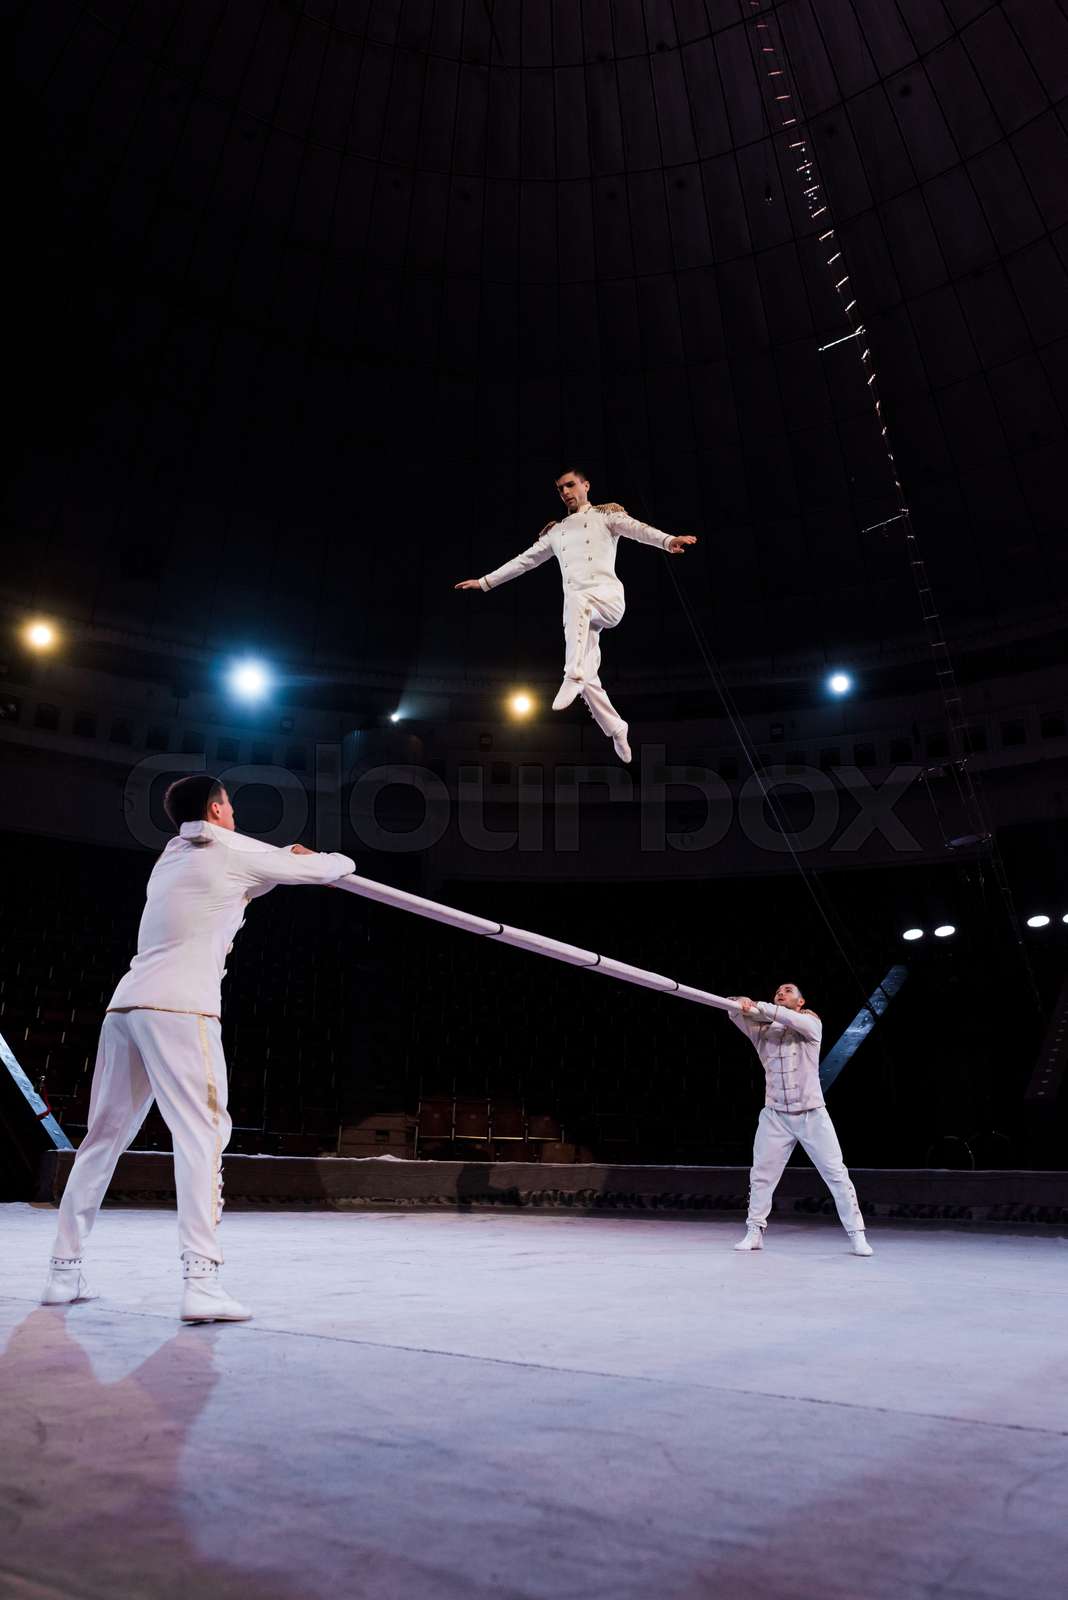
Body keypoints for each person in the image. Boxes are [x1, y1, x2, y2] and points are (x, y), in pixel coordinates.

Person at [41, 776, 356, 1322]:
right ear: (216, 808)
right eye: (230, 805)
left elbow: (249, 881)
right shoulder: (230, 849)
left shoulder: (172, 855)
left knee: (102, 1139)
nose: (234, 814)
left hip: (127, 1008)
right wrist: (329, 858)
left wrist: (279, 859)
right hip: (181, 1009)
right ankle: (202, 1281)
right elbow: (329, 869)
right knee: (203, 1137)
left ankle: (62, 1272)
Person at [455, 467, 696, 763]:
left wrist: (668, 540)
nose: (566, 492)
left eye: (570, 485)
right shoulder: (555, 533)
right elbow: (524, 561)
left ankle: (571, 674)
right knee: (589, 677)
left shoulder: (607, 516)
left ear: (586, 486)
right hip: (580, 614)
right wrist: (485, 581)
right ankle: (617, 728)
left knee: (578, 608)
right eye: (560, 489)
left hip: (607, 599)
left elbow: (638, 529)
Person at [728, 982, 873, 1256]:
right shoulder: (762, 1031)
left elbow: (790, 1019)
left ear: (801, 1002)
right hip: (775, 1115)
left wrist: (761, 1007)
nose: (780, 993)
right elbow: (734, 1013)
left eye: (787, 990)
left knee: (836, 1174)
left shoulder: (811, 1025)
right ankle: (754, 1231)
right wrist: (740, 1002)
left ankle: (857, 1234)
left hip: (812, 1114)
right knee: (761, 1175)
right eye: (777, 991)